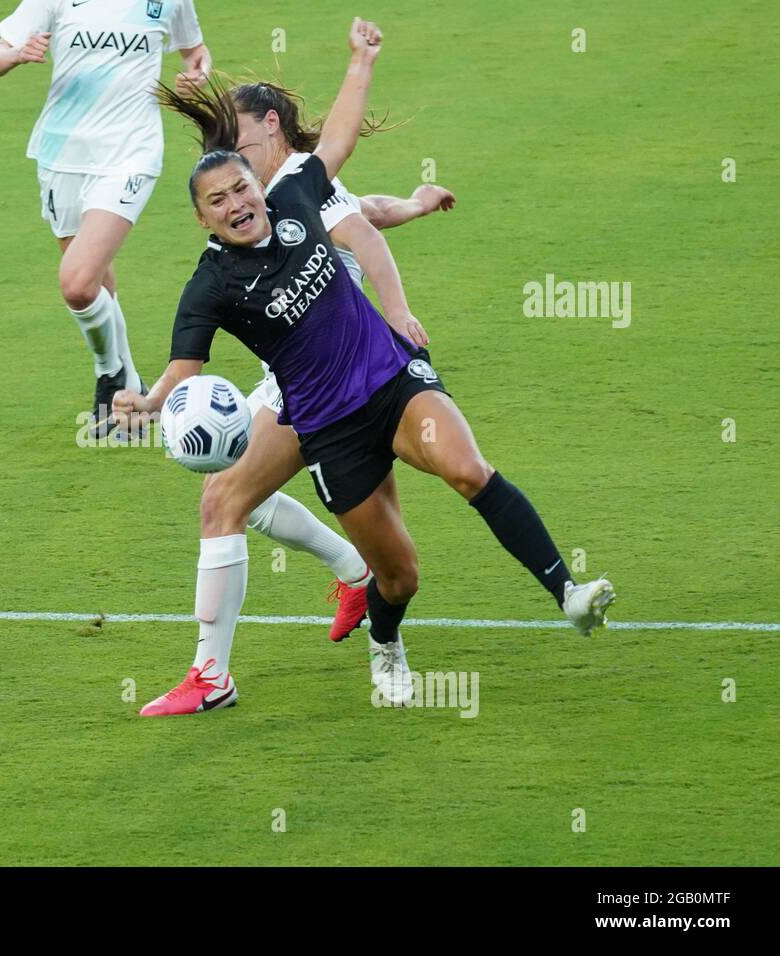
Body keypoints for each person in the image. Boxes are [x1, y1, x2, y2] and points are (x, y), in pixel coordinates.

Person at [116, 19, 615, 717]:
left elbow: (346, 161)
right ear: (203, 219)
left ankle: (570, 591)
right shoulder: (210, 285)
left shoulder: (293, 194)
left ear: (259, 181)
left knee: (468, 469)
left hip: (390, 381)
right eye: (219, 199)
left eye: (240, 188)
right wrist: (147, 401)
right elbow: (183, 369)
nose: (238, 202)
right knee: (399, 575)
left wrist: (360, 61)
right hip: (324, 424)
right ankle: (385, 645)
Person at [159, 77, 455, 646]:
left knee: (224, 499)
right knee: (236, 494)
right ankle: (357, 572)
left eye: (235, 141)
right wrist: (417, 203)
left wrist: (397, 310)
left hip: (329, 375)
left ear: (271, 126)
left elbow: (362, 230)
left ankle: (353, 581)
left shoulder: (294, 181)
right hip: (301, 370)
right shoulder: (268, 193)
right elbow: (369, 207)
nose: (224, 157)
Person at [0, 0, 211, 437]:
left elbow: (194, 52)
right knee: (96, 278)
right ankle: (131, 391)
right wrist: (13, 56)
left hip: (131, 154)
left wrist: (196, 75)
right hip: (60, 155)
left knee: (78, 282)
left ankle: (110, 375)